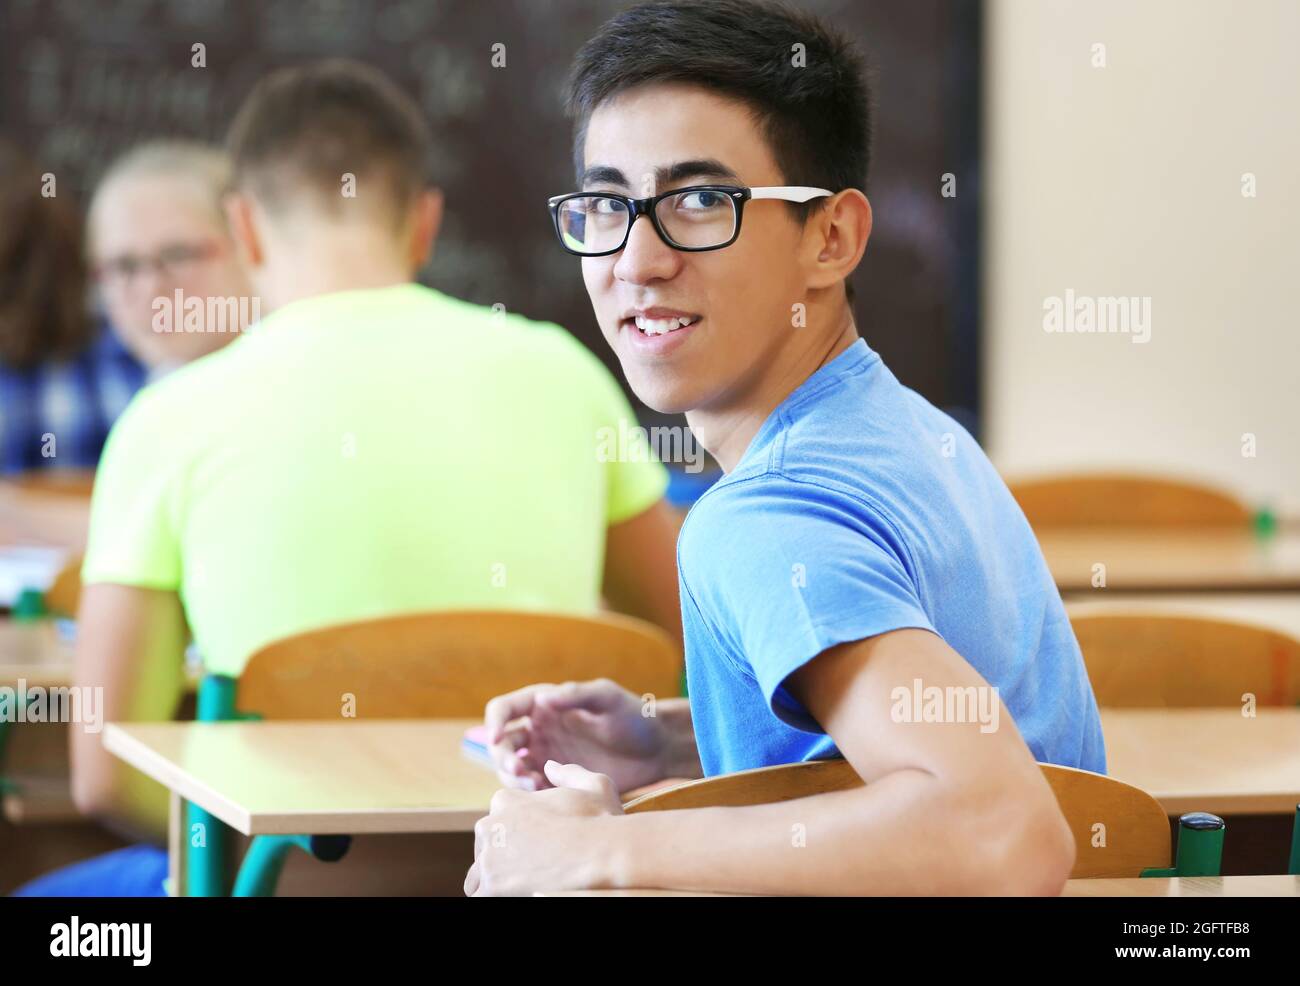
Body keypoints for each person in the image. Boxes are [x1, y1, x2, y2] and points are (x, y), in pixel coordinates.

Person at [471, 0, 1103, 896]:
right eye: (607, 203)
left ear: (832, 237)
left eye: (699, 201)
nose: (636, 259)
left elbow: (1005, 831)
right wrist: (675, 741)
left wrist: (599, 852)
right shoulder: (921, 436)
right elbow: (933, 730)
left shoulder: (764, 519)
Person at [20, 59, 680, 896]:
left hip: (282, 881)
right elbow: (685, 648)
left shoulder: (170, 417)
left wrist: (283, 852)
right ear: (426, 222)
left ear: (245, 230)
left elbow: (104, 774)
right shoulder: (568, 373)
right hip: (545, 875)